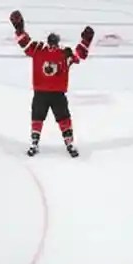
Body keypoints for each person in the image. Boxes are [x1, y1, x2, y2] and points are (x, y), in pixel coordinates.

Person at [10, 10, 93, 157]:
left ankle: (66, 143)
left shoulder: (48, 51)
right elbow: (79, 55)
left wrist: (19, 29)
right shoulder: (58, 52)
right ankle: (42, 143)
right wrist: (19, 29)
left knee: (59, 117)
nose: (53, 46)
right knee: (41, 117)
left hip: (51, 93)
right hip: (48, 93)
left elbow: (79, 55)